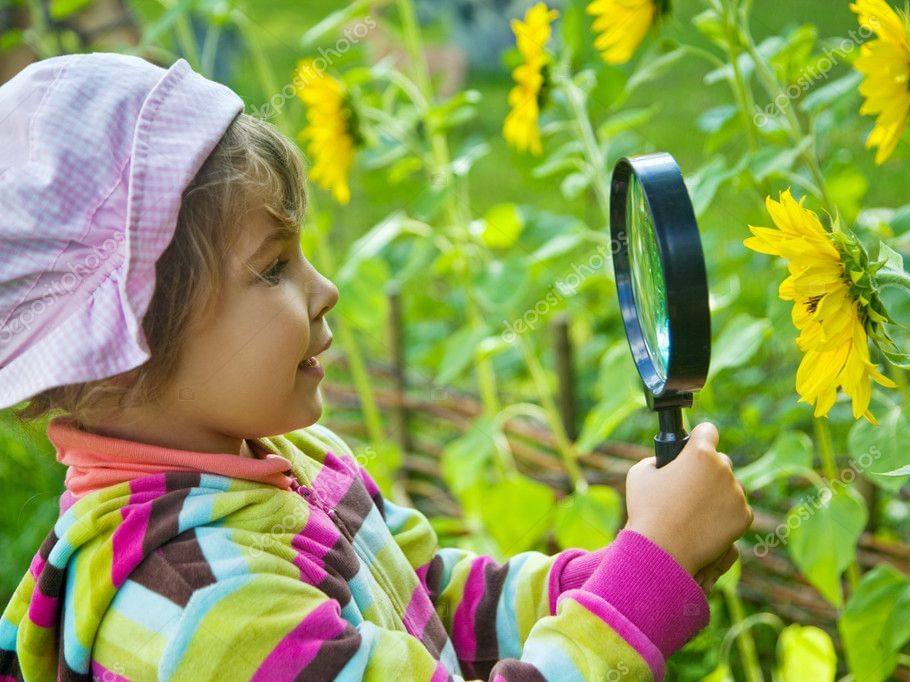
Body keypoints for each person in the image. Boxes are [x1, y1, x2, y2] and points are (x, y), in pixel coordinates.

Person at [0, 52, 753, 681]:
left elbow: (436, 603)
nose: (323, 290)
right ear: (123, 347)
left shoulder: (287, 459)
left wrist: (619, 573)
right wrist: (640, 591)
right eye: (272, 270)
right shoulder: (201, 606)